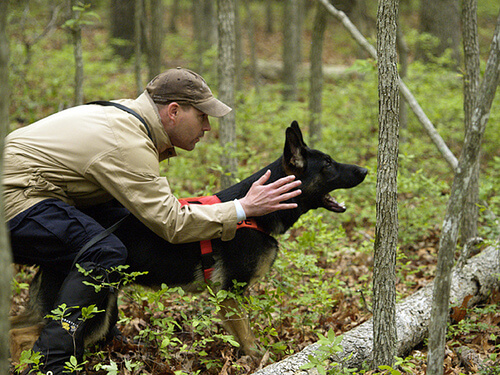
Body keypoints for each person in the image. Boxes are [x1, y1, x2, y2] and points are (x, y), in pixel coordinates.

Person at [4, 67, 301, 374]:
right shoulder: (129, 142)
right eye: (202, 116)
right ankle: (49, 362)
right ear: (174, 111)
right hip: (15, 200)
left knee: (122, 226)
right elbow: (172, 223)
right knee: (103, 251)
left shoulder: (128, 118)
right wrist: (242, 208)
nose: (208, 127)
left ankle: (102, 332)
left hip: (33, 192)